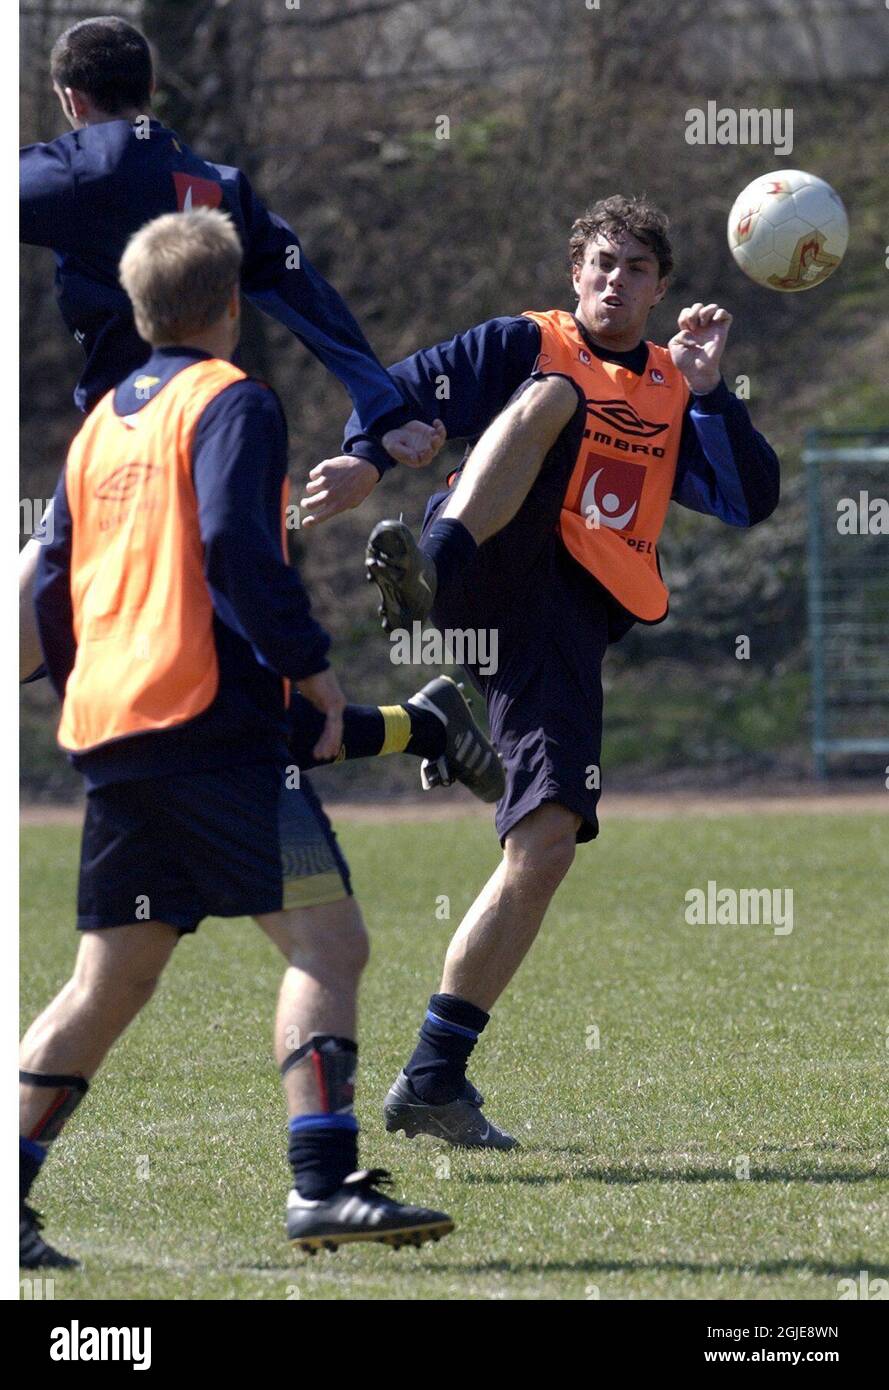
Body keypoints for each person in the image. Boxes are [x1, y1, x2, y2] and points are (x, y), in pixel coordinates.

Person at [20, 208, 455, 1270]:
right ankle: (325, 1184)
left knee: (108, 980)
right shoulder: (232, 401)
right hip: (210, 729)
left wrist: (84, 689)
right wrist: (307, 665)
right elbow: (232, 543)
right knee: (328, 941)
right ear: (230, 306)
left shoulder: (99, 429)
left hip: (116, 733)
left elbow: (48, 589)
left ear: (135, 308)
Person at [304, 195, 781, 1148]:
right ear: (576, 272)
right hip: (481, 563)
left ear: (659, 288)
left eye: (637, 269)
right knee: (558, 393)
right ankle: (428, 564)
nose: (616, 280)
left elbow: (746, 499)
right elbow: (401, 390)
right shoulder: (527, 343)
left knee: (547, 843)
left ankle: (436, 1075)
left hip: (562, 622)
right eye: (602, 262)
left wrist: (710, 390)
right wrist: (364, 457)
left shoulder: (667, 388)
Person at [19, 13, 504, 803]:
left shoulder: (82, 171)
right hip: (156, 458)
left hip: (149, 463)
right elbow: (302, 292)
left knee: (226, 706)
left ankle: (399, 742)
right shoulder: (218, 185)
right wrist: (382, 409)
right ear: (152, 89)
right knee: (228, 704)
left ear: (69, 98)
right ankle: (423, 724)